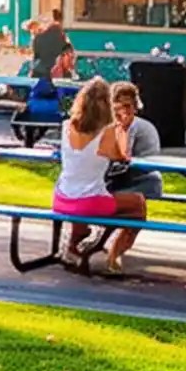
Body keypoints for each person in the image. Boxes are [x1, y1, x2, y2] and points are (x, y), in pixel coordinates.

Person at [53, 77, 146, 274]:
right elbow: (122, 157)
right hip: (90, 201)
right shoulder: (108, 132)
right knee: (138, 205)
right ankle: (113, 252)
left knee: (88, 204)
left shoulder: (66, 126)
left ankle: (75, 245)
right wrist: (121, 127)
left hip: (61, 197)